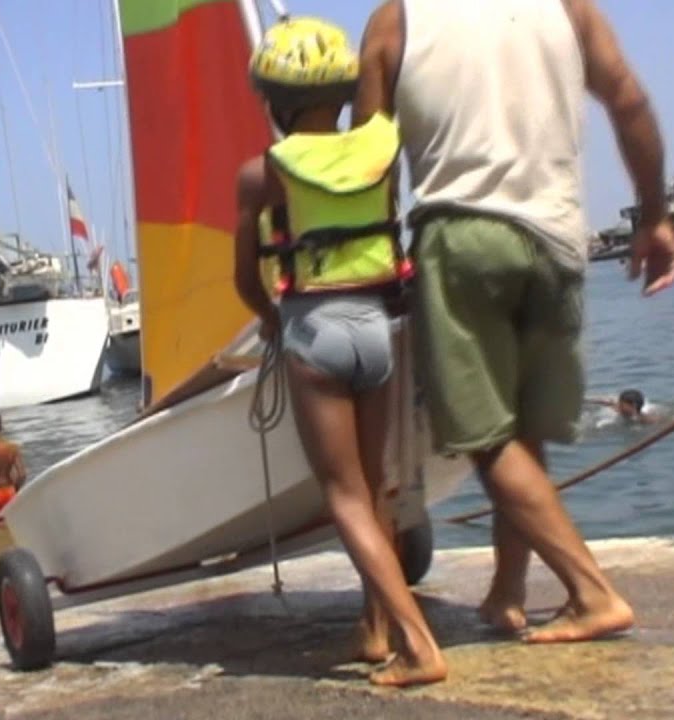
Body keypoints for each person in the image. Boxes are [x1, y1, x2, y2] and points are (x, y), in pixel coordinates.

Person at [353, 0, 674, 643]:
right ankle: (507, 592)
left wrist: (374, 260)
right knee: (522, 428)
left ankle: (592, 593)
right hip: (557, 242)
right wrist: (653, 216)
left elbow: (370, 159)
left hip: (460, 237)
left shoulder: (395, 21)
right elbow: (630, 102)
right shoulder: (568, 8)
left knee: (485, 435)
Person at [233, 17, 444, 687]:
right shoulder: (381, 147)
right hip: (379, 330)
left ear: (275, 100)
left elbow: (246, 281)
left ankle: (416, 644)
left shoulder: (261, 173)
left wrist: (273, 321)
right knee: (373, 489)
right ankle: (374, 628)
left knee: (344, 497)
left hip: (314, 333)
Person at [586, 389, 664, 424]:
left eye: (621, 404)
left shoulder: (645, 419)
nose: (619, 405)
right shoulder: (620, 409)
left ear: (633, 406)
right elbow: (609, 402)